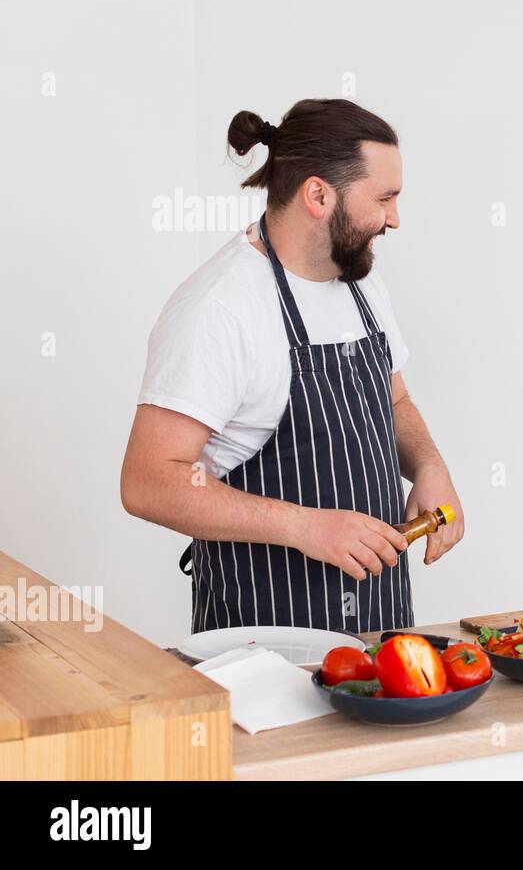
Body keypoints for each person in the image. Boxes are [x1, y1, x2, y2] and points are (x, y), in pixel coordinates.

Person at [121, 99, 464, 633]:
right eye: (384, 198)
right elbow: (146, 481)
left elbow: (392, 399)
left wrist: (428, 467)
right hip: (266, 643)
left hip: (380, 628)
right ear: (318, 194)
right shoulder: (220, 307)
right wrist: (304, 527)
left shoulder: (360, 282)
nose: (395, 218)